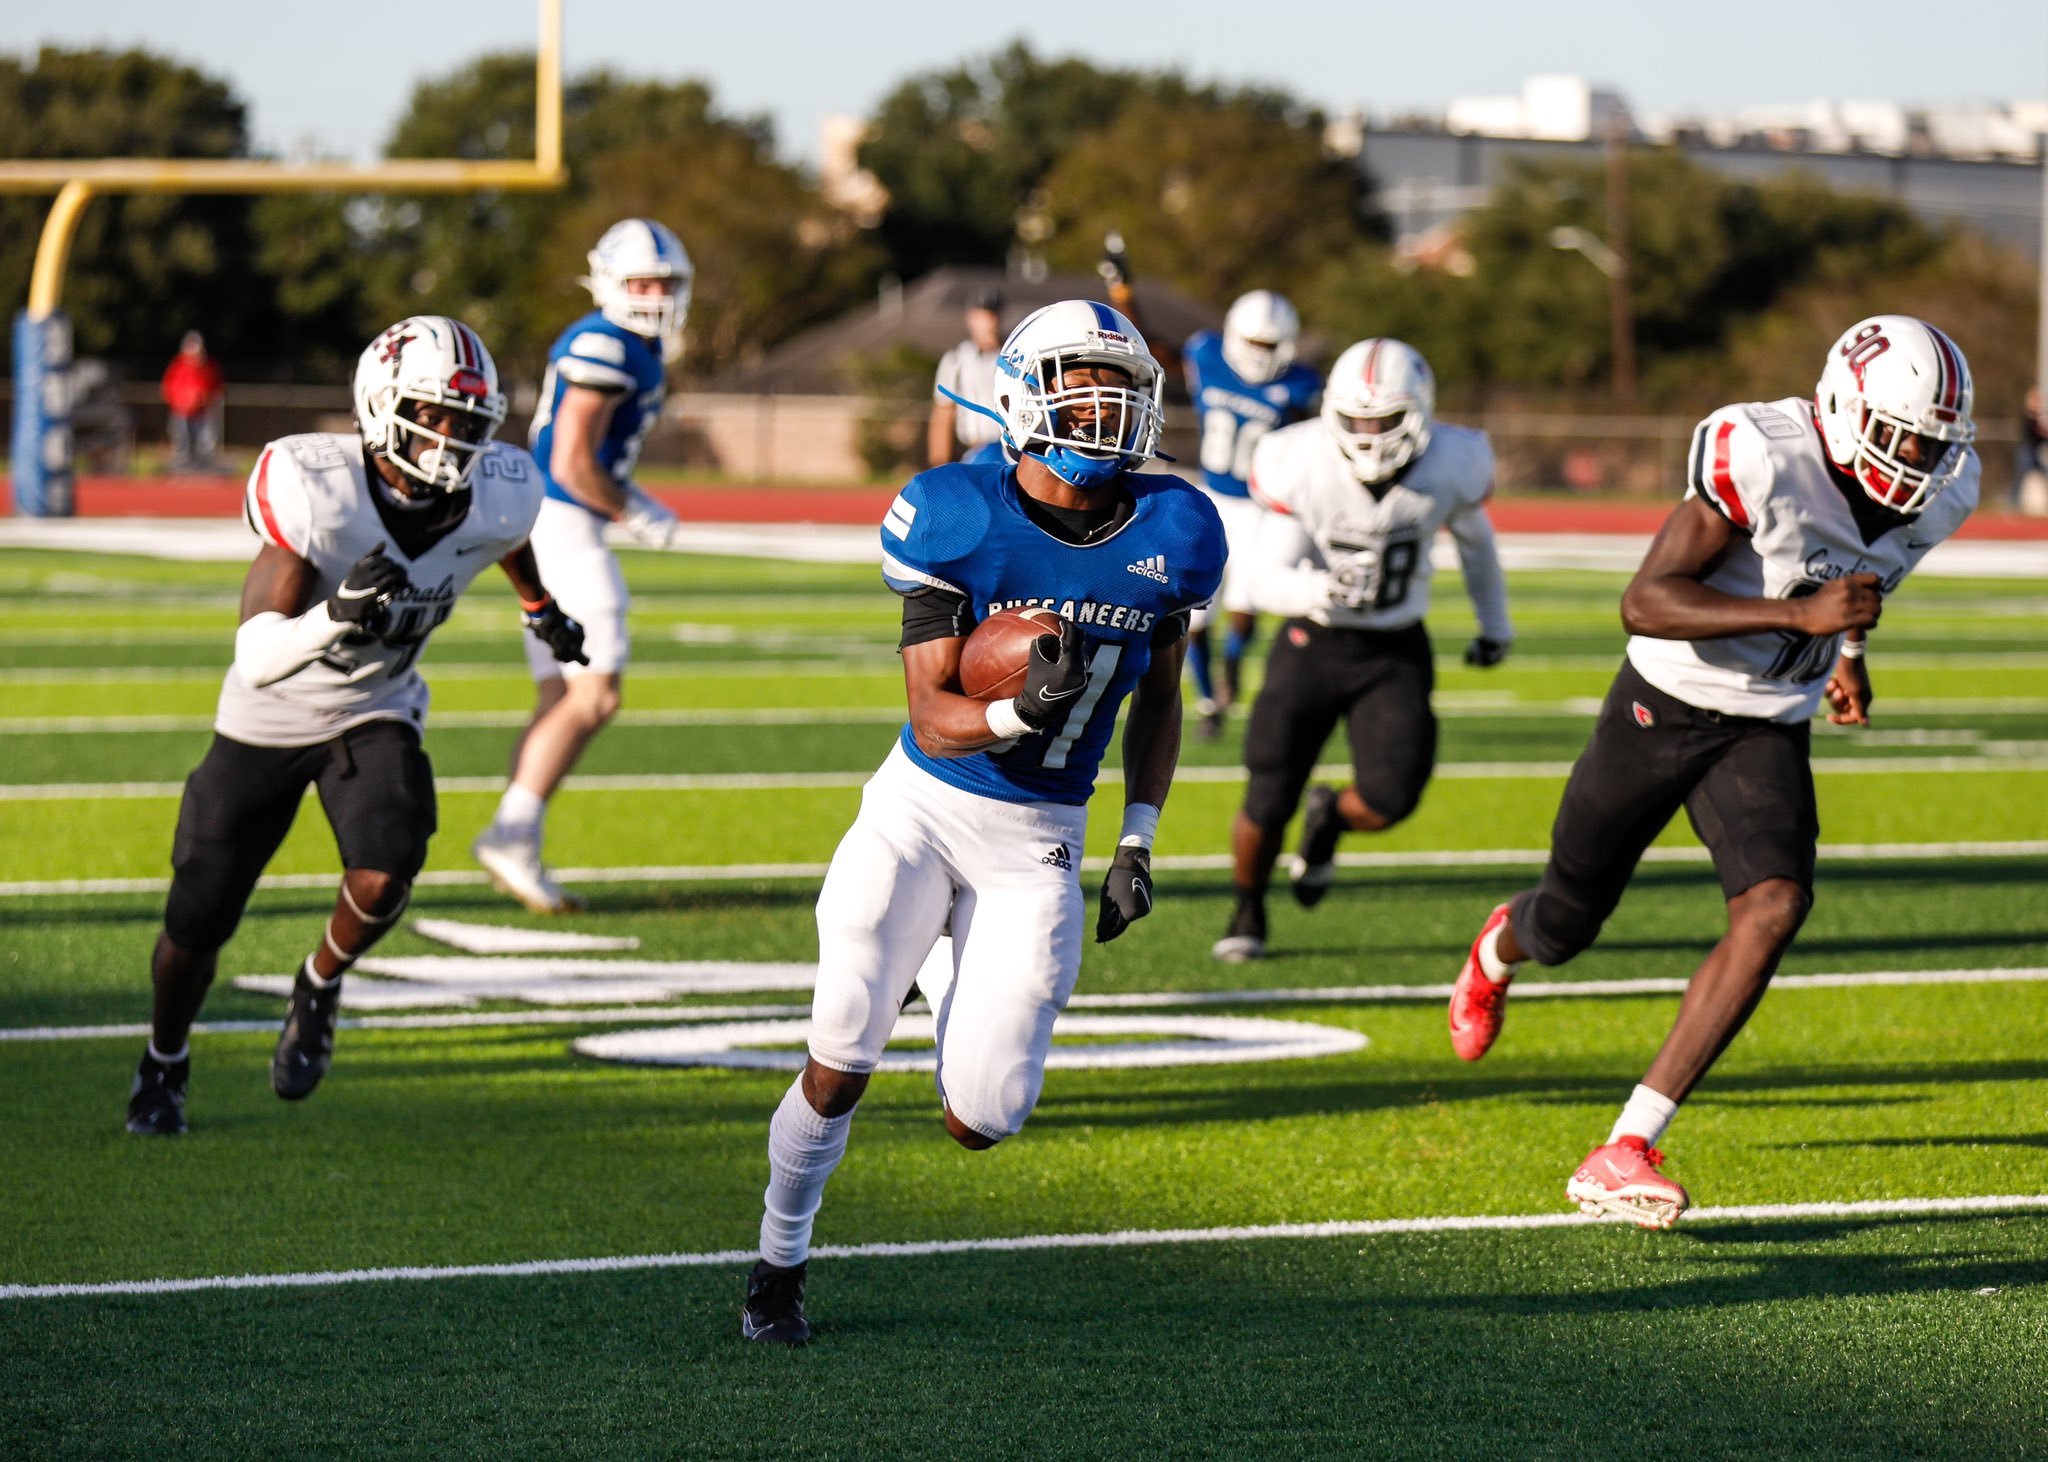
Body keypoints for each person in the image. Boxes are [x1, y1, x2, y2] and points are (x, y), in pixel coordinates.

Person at [740, 300, 1226, 1345]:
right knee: (840, 1052)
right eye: (1076, 384)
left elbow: (1161, 692)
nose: (1102, 408)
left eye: (1118, 387)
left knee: (982, 1119)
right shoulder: (953, 511)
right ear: (1018, 395)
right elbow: (930, 713)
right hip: (921, 808)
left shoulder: (1179, 529)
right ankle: (777, 1263)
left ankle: (946, 975)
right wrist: (1016, 706)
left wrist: (1138, 832)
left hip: (1040, 835)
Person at [1447, 315, 1980, 1227]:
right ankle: (1500, 947)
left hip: (1768, 721)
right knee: (1567, 923)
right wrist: (1797, 618)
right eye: (1901, 435)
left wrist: (1845, 649)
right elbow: (1644, 600)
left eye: (1933, 442)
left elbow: (1859, 574)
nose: (1917, 461)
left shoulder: (1943, 493)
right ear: (1845, 407)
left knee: (1777, 903)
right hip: (1663, 704)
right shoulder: (1761, 452)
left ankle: (1629, 1142)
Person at [125, 316, 588, 1136]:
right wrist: (334, 615)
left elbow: (505, 536)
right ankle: (164, 1060)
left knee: (389, 863)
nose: (454, 440)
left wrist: (539, 606)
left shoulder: (502, 489)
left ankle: (319, 979)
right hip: (268, 715)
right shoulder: (316, 489)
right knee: (196, 920)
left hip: (376, 705)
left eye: (470, 423)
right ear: (381, 407)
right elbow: (257, 657)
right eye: (436, 416)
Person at [1212, 338, 1511, 964]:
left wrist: (1494, 626)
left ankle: (1328, 822)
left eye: (1385, 420)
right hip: (1312, 641)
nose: (1370, 434)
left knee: (1391, 797)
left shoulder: (1453, 461)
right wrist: (1320, 587)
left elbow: (1477, 546)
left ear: (1420, 412)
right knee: (1269, 792)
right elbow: (1260, 578)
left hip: (1395, 647)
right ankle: (1247, 907)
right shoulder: (1305, 463)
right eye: (1358, 420)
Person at [472, 219, 689, 914]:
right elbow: (570, 460)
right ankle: (511, 834)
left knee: (559, 698)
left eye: (665, 283)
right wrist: (636, 508)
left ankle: (517, 838)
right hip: (565, 524)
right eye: (640, 284)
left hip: (553, 523)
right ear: (608, 284)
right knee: (592, 696)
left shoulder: (630, 344)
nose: (654, 296)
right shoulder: (605, 343)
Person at [1100, 243, 1322, 737]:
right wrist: (1123, 291)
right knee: (1197, 610)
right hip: (1216, 499)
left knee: (1246, 607)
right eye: (1256, 344)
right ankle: (1207, 701)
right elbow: (1150, 347)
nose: (1262, 355)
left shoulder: (1302, 385)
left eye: (1271, 346)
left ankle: (1229, 678)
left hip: (1268, 507)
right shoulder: (1207, 356)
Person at [927, 287, 1007, 467]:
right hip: (974, 450)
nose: (988, 323)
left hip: (1009, 450)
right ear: (970, 318)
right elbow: (943, 412)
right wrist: (939, 462)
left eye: (992, 315)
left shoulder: (1011, 357)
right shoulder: (956, 359)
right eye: (982, 316)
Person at [161, 330, 224, 472]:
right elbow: (168, 388)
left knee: (205, 443)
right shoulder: (178, 366)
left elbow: (217, 388)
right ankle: (181, 470)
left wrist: (204, 398)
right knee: (181, 441)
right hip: (182, 412)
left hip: (203, 412)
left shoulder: (209, 366)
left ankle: (204, 470)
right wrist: (182, 399)